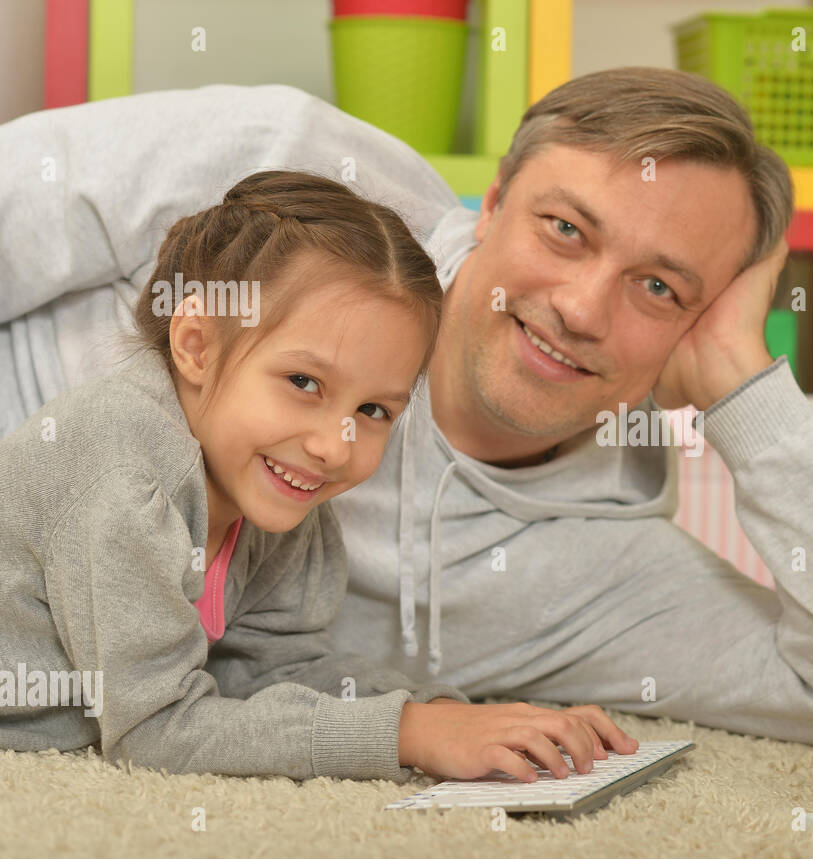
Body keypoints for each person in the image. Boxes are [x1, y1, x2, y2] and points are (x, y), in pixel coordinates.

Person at [0, 69, 813, 751]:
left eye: (660, 289)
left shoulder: (607, 575)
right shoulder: (291, 161)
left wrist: (745, 384)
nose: (581, 307)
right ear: (492, 203)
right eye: (565, 229)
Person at [0, 170, 637, 781]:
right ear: (196, 344)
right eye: (304, 383)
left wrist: (450, 717)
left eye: (373, 410)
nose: (336, 446)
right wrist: (405, 736)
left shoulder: (279, 491)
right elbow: (157, 728)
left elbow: (275, 667)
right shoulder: (126, 477)